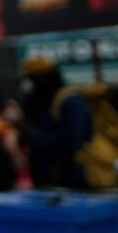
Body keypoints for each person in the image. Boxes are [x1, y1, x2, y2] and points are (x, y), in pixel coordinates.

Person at [20, 55, 92, 188]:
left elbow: (72, 141)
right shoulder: (44, 101)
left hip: (69, 178)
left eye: (34, 79)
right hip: (47, 178)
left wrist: (34, 136)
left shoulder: (70, 100)